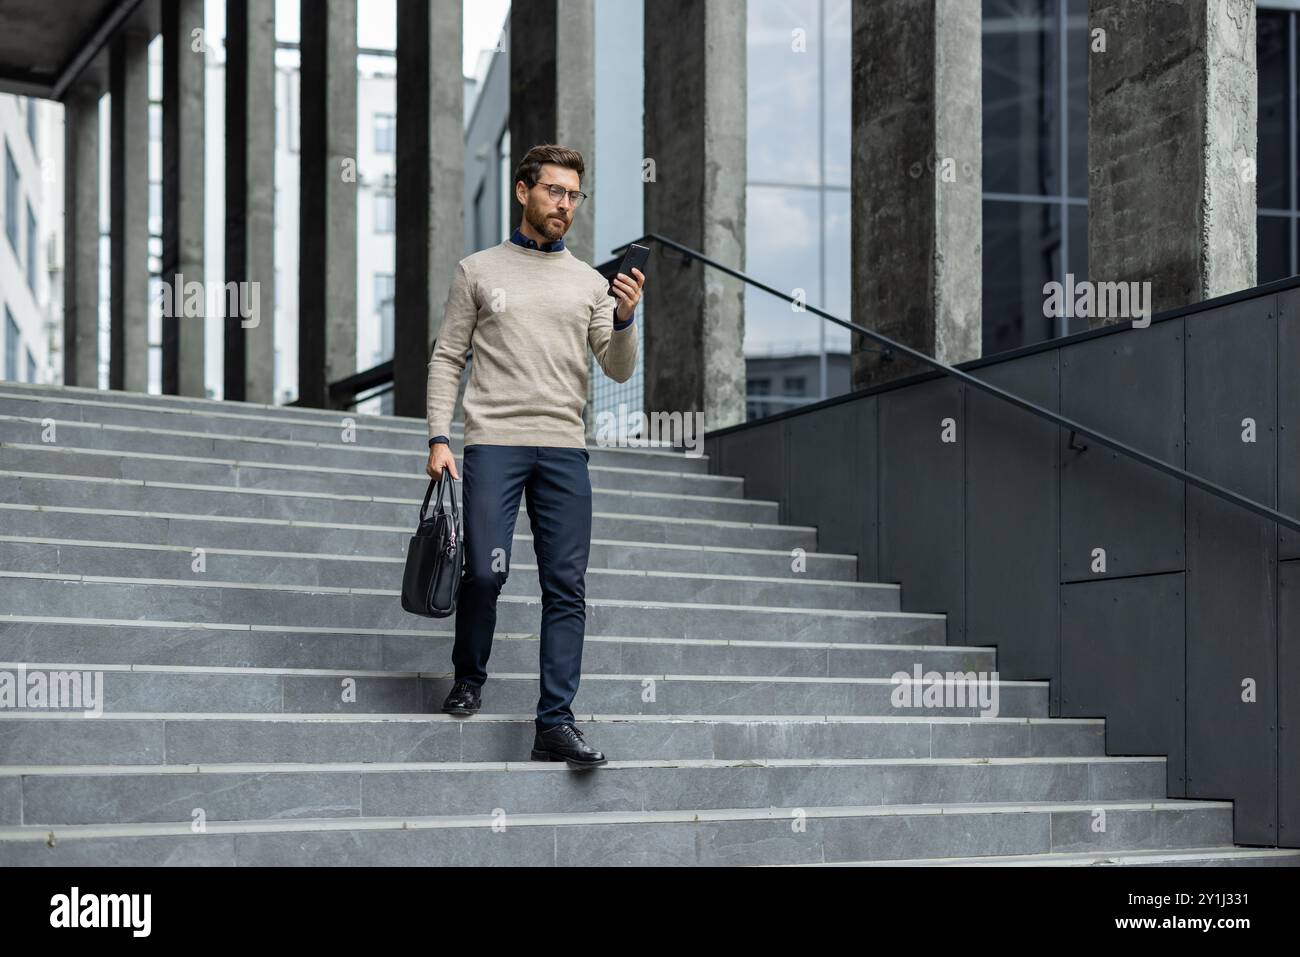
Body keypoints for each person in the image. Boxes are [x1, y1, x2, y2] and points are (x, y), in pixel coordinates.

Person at [424, 143, 644, 770]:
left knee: (566, 587)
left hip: (565, 450)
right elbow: (447, 358)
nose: (564, 205)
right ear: (523, 192)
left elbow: (618, 370)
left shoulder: (591, 283)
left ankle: (556, 722)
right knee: (486, 572)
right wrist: (440, 437)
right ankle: (470, 675)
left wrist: (625, 319)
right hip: (493, 442)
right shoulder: (477, 271)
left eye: (574, 195)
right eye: (554, 191)